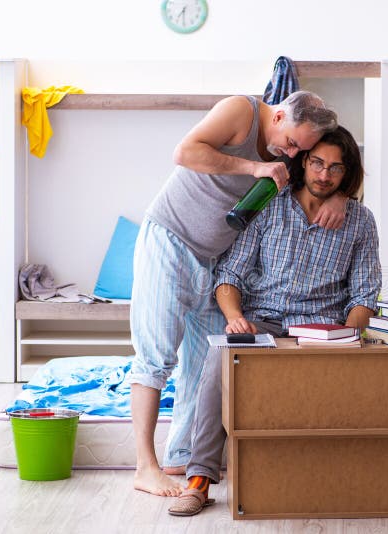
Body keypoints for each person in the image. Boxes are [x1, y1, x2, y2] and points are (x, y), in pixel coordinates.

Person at [130, 91, 348, 497]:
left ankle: (182, 452)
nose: (294, 153)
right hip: (172, 239)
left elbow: (332, 167)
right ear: (279, 115)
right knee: (156, 355)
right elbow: (184, 152)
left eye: (301, 148)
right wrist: (254, 166)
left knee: (206, 359)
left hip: (216, 260)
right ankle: (145, 466)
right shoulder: (241, 112)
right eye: (294, 143)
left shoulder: (289, 145)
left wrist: (339, 194)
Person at [167, 126, 382, 516]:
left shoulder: (360, 221)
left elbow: (365, 294)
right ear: (303, 160)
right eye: (317, 163)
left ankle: (341, 477)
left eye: (336, 168)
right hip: (263, 322)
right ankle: (199, 480)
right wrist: (235, 319)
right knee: (217, 360)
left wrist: (351, 334)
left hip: (322, 329)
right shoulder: (271, 204)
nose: (324, 175)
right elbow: (229, 275)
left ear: (347, 173)